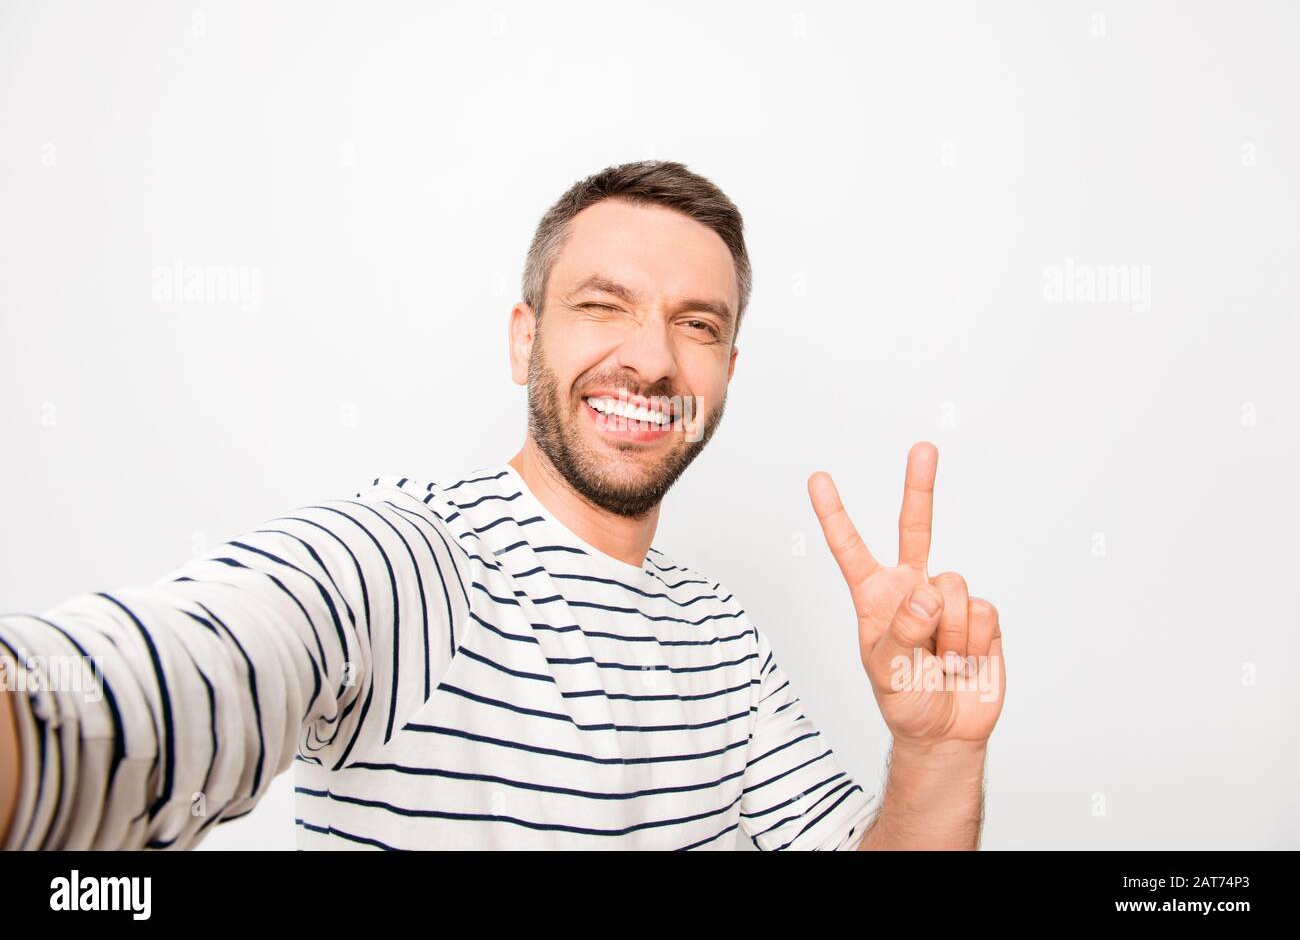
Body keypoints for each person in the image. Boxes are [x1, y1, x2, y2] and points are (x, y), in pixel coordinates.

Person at [0, 160, 1005, 851]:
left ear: (727, 371)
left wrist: (934, 752)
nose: (649, 359)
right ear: (524, 340)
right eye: (601, 305)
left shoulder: (720, 635)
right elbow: (164, 680)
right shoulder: (405, 560)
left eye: (695, 324)